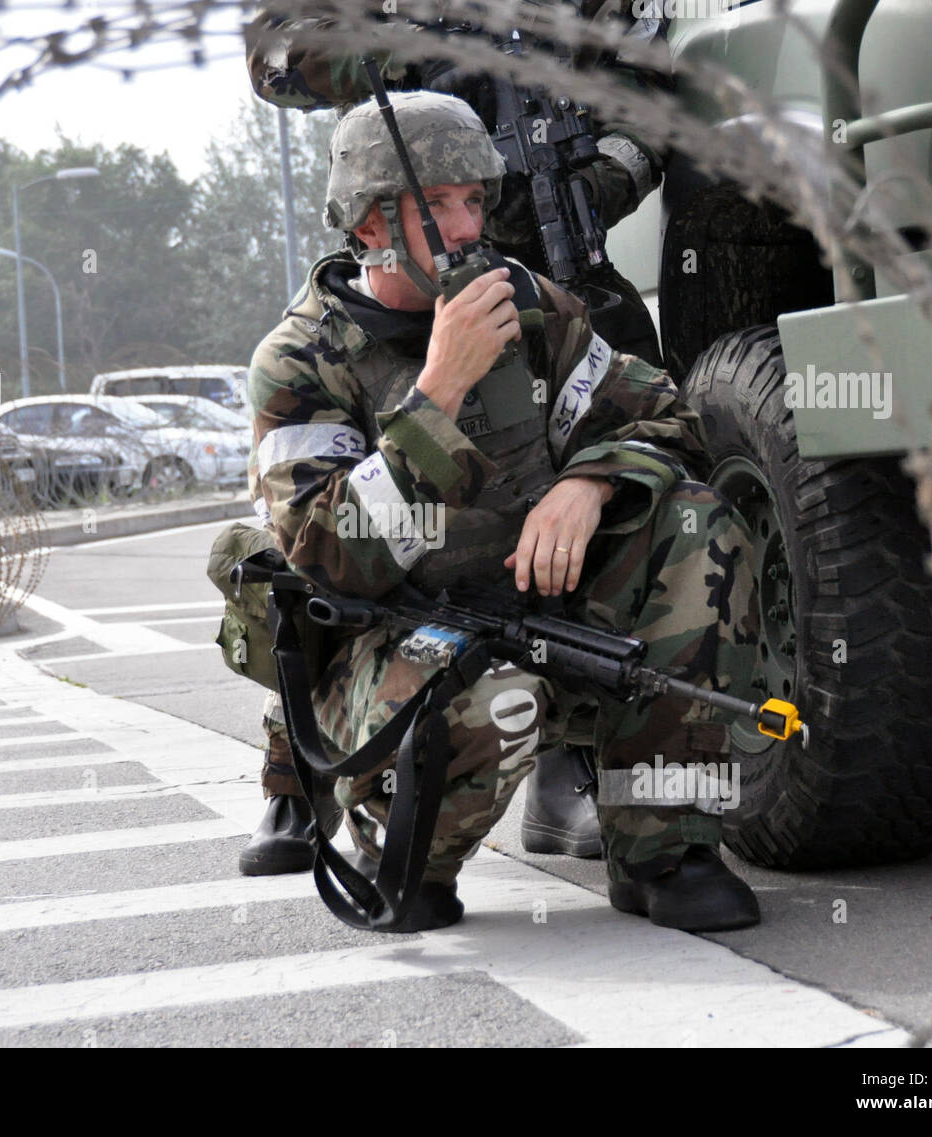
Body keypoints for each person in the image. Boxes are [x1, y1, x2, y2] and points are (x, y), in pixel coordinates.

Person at [247, 90, 761, 933]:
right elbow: (328, 557)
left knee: (699, 527)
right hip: (395, 641)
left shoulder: (521, 302)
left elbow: (666, 415)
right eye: (434, 206)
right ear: (369, 225)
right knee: (499, 700)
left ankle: (667, 846)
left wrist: (588, 481)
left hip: (543, 605)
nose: (465, 228)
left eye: (474, 201)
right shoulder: (300, 360)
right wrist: (437, 391)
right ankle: (400, 850)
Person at [239, 0, 671, 873]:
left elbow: (649, 96)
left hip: (547, 246)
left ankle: (580, 757)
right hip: (405, 239)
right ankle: (301, 763)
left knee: (599, 481)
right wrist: (402, 54)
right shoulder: (310, 346)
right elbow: (278, 51)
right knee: (348, 507)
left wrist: (595, 181)